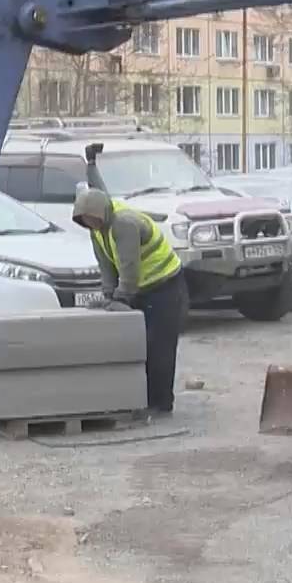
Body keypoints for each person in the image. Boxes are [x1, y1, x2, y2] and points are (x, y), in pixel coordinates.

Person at [74, 144, 187, 413]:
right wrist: (108, 295)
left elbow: (129, 268)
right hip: (144, 290)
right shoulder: (99, 224)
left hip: (166, 287)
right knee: (138, 347)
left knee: (159, 347)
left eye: (91, 219)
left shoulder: (123, 223)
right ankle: (140, 399)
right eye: (84, 220)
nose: (89, 224)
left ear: (100, 213)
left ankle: (161, 404)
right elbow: (106, 264)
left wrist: (122, 298)